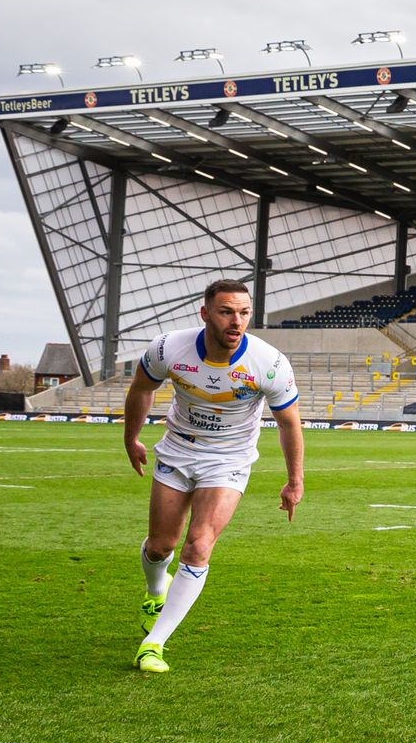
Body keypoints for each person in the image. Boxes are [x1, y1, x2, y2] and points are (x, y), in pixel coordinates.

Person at [123, 279, 303, 674]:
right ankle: (156, 589)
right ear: (205, 313)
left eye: (243, 312)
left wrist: (295, 481)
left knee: (199, 546)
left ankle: (153, 643)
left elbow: (289, 422)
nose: (236, 321)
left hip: (229, 459)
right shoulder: (169, 346)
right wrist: (131, 437)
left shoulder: (268, 362)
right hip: (178, 450)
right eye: (226, 312)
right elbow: (140, 389)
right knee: (160, 545)